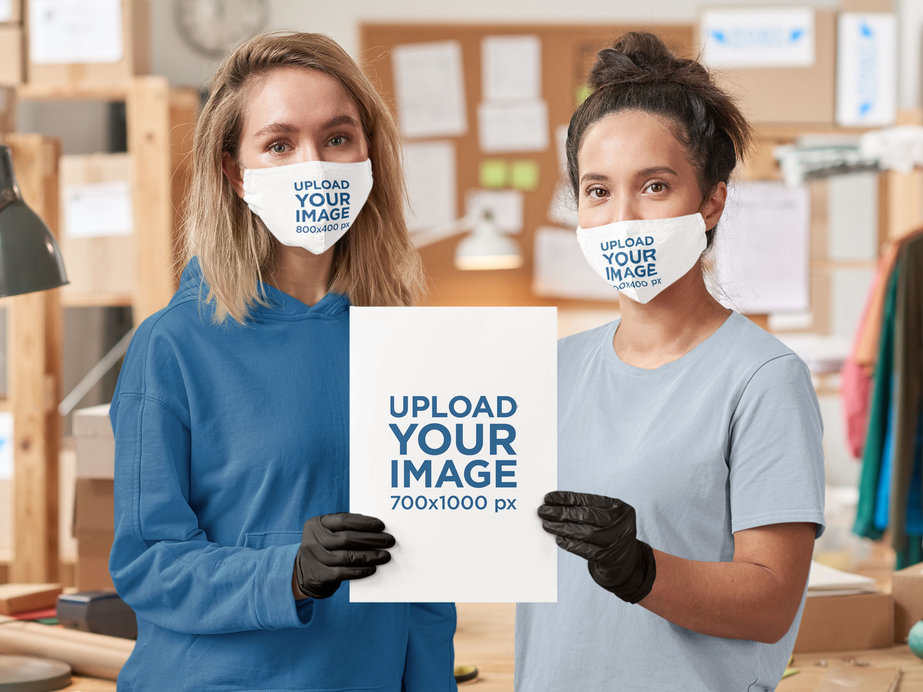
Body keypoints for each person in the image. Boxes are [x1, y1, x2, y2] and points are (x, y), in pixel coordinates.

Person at [108, 32, 456, 691]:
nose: (314, 164)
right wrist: (289, 572)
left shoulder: (406, 342)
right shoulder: (174, 347)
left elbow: (428, 583)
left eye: (337, 138)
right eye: (278, 143)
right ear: (234, 172)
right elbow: (148, 563)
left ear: (369, 153)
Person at [515, 32, 825, 691]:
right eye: (597, 191)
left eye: (653, 186)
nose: (622, 217)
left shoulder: (762, 379)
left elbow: (770, 602)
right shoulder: (547, 370)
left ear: (710, 200)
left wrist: (641, 570)